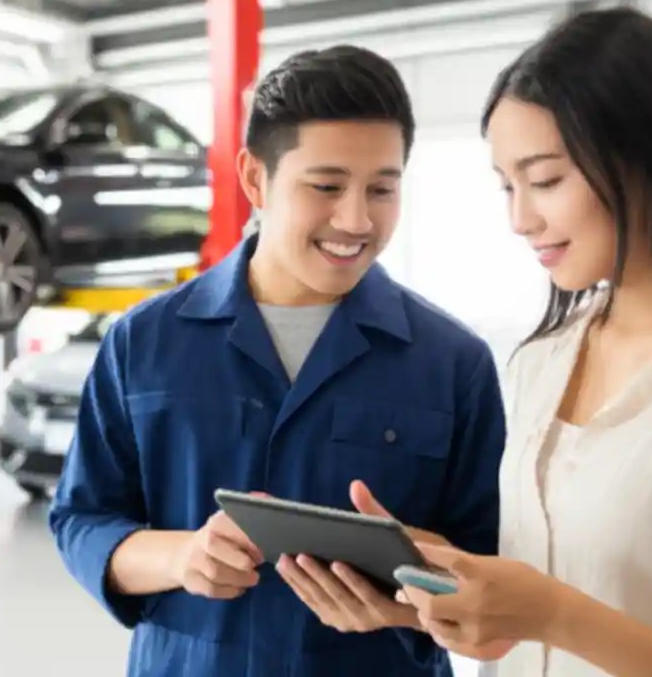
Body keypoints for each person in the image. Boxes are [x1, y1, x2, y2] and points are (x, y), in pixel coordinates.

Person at [49, 46, 507, 676]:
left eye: (382, 188)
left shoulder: (454, 364)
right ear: (255, 178)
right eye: (326, 187)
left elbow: (490, 578)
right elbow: (82, 519)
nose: (356, 219)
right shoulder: (144, 342)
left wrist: (402, 601)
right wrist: (183, 557)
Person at [394, 7, 652, 676]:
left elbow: (553, 608)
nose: (520, 218)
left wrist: (556, 615)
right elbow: (528, 589)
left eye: (545, 180)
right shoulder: (540, 359)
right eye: (507, 185)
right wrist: (421, 588)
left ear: (643, 159)